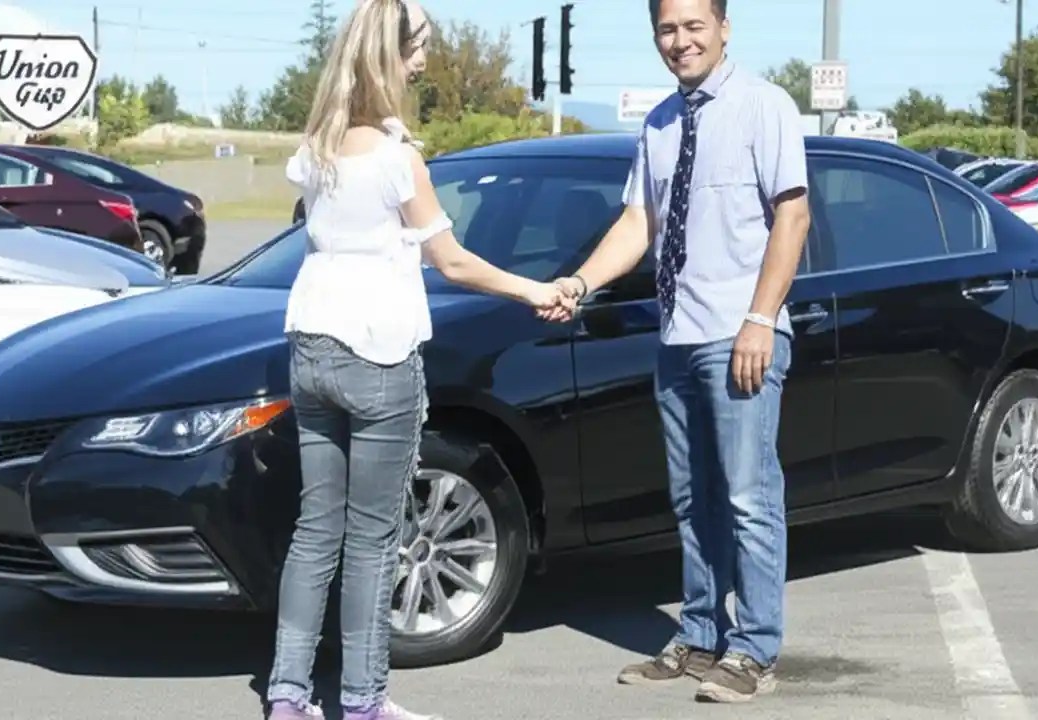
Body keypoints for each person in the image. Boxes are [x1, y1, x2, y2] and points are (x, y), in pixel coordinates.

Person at [266, 1, 565, 719]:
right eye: (420, 47)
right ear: (389, 54)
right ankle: (364, 701)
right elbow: (453, 262)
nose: (425, 59)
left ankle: (286, 695)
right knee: (373, 539)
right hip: (378, 353)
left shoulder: (316, 149)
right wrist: (536, 289)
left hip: (309, 346)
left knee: (316, 531)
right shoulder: (400, 162)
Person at [542, 0, 811, 705]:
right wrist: (580, 281)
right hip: (678, 335)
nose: (680, 40)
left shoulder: (764, 105)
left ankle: (754, 649)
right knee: (693, 501)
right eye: (667, 28)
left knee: (750, 497)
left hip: (741, 333)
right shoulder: (660, 123)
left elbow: (793, 212)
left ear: (724, 27)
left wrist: (760, 318)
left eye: (694, 26)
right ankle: (698, 637)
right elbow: (641, 221)